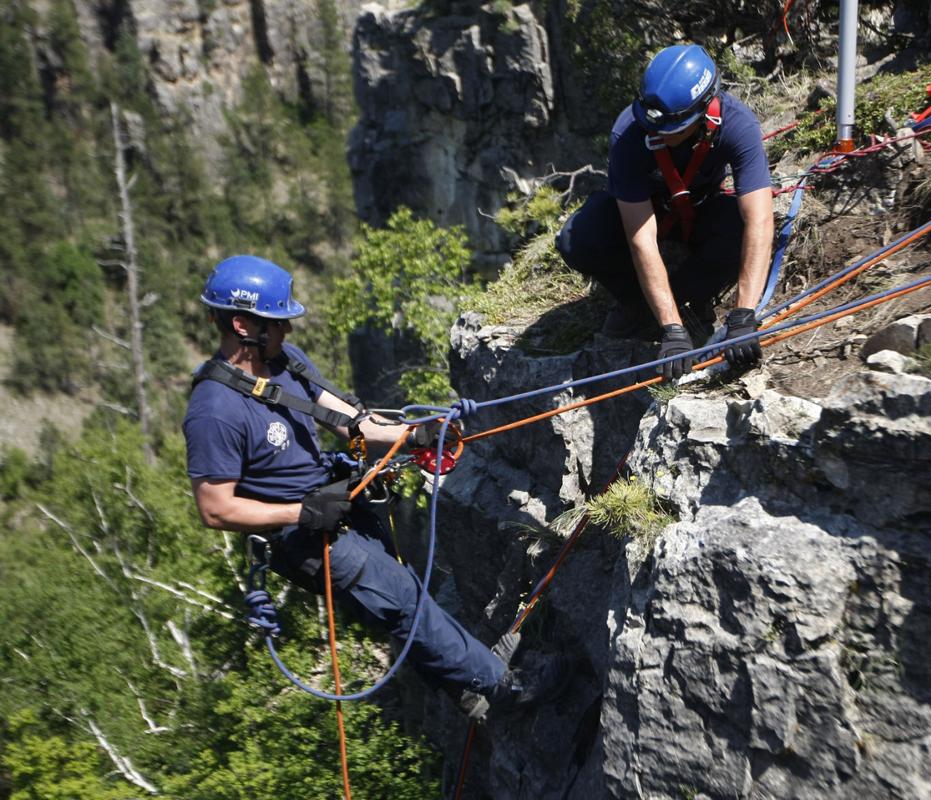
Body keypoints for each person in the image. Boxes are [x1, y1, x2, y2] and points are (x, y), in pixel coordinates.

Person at [183, 254, 566, 719]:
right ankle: (506, 689)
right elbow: (215, 509)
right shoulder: (214, 410)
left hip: (334, 501)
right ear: (243, 325)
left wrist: (413, 432)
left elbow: (348, 421)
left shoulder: (285, 363)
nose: (288, 331)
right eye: (277, 323)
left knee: (402, 597)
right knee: (402, 599)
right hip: (303, 536)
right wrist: (299, 514)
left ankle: (464, 690)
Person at [555, 43, 773, 379]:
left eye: (670, 130)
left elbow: (760, 219)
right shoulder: (629, 133)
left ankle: (693, 298)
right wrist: (671, 329)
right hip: (647, 212)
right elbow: (641, 239)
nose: (656, 133)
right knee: (578, 238)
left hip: (701, 210)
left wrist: (744, 315)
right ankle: (637, 304)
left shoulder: (738, 125)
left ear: (703, 111)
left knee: (736, 228)